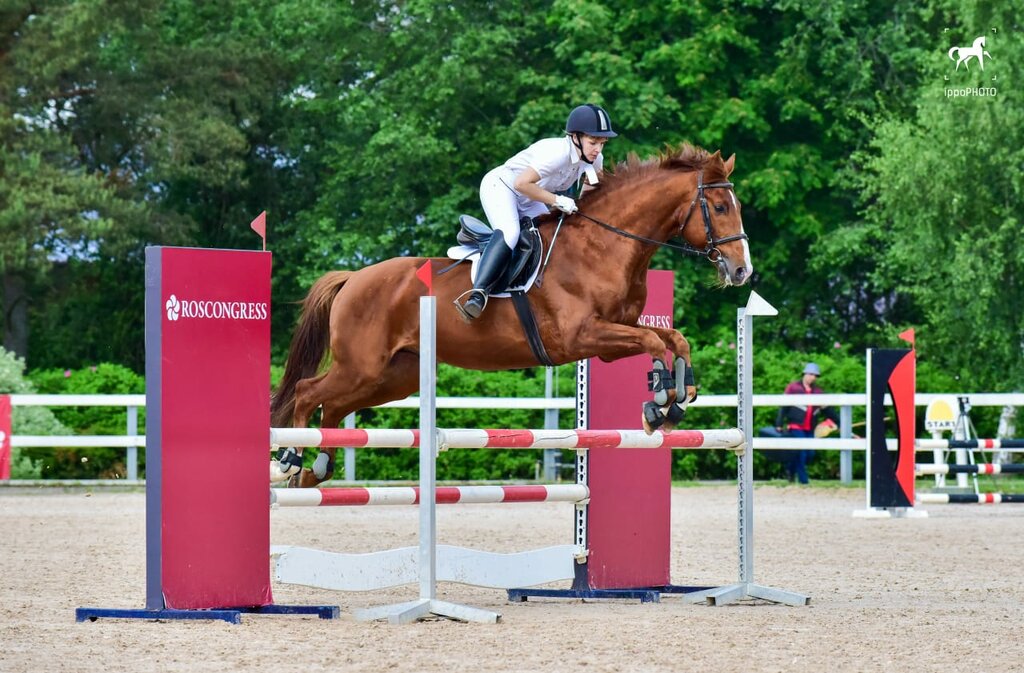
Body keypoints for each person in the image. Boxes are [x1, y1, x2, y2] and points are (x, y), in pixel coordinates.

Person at [455, 103, 617, 321]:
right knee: (511, 233)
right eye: (593, 142)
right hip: (502, 187)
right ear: (575, 137)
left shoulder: (595, 159)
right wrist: (558, 200)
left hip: (531, 196)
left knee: (551, 237)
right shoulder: (557, 153)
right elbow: (522, 184)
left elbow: (591, 191)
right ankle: (477, 294)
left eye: (602, 143)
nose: (598, 149)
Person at [774, 362, 840, 484]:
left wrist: (839, 423)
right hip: (795, 426)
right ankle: (804, 481)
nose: (813, 377)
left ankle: (789, 470)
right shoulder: (793, 388)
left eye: (815, 375)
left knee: (810, 454)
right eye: (810, 374)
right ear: (804, 374)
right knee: (802, 452)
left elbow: (828, 410)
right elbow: (783, 407)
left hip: (810, 428)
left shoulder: (818, 392)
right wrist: (779, 423)